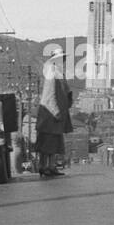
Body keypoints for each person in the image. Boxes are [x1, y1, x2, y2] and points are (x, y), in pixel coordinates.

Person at [35, 48, 74, 177]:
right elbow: (49, 93)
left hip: (55, 113)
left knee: (54, 141)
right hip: (50, 113)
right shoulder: (51, 71)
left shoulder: (57, 72)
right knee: (47, 142)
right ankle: (44, 166)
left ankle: (50, 166)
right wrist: (55, 111)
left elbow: (64, 91)